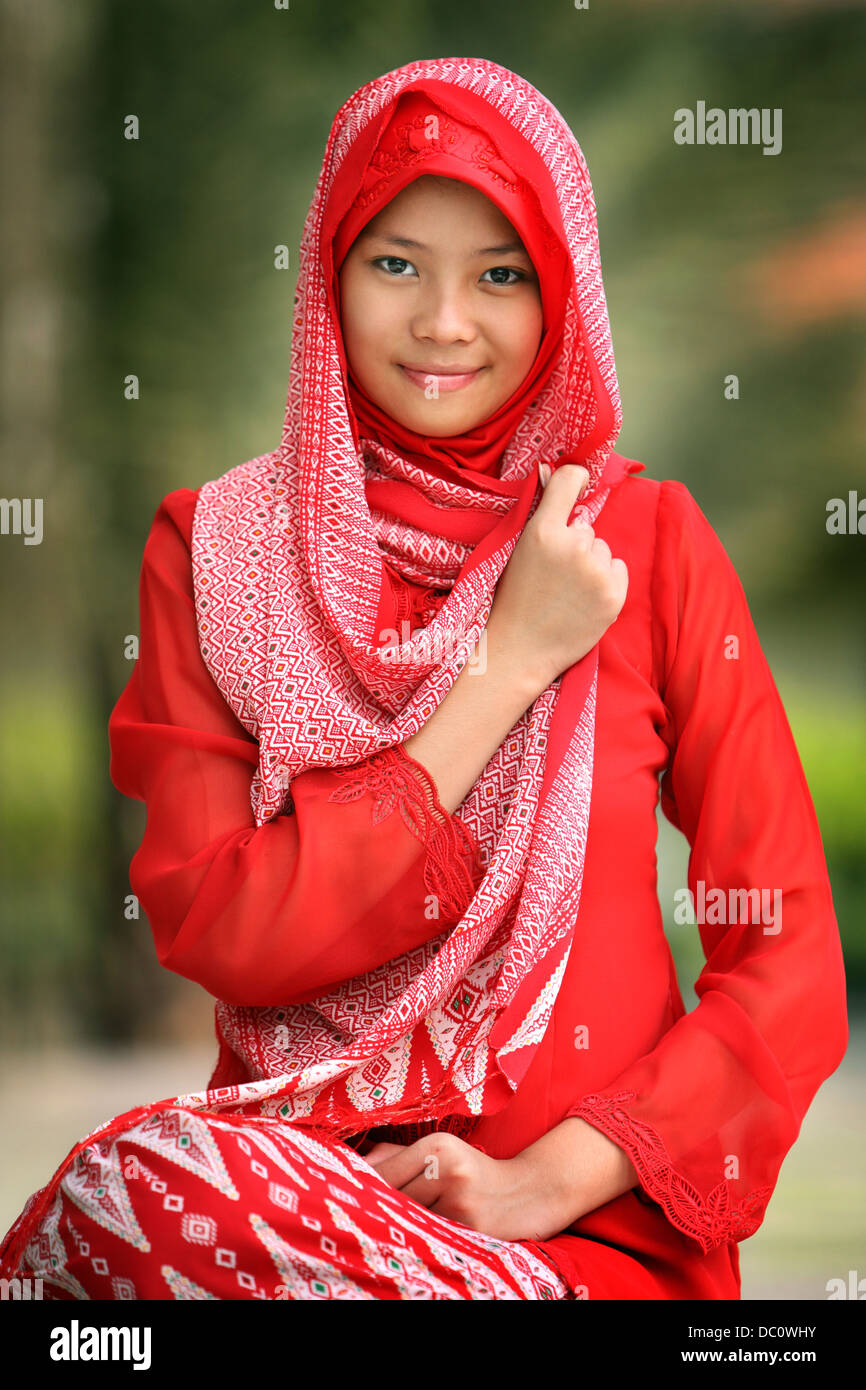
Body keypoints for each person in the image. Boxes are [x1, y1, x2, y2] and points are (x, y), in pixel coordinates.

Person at [0, 56, 847, 1302]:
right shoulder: (218, 549)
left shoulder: (640, 542)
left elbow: (785, 959)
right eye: (395, 263)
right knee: (121, 1196)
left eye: (500, 274)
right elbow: (227, 930)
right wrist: (504, 669)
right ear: (328, 280)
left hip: (578, 1246)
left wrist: (543, 1181)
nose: (444, 323)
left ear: (559, 296)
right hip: (278, 1222)